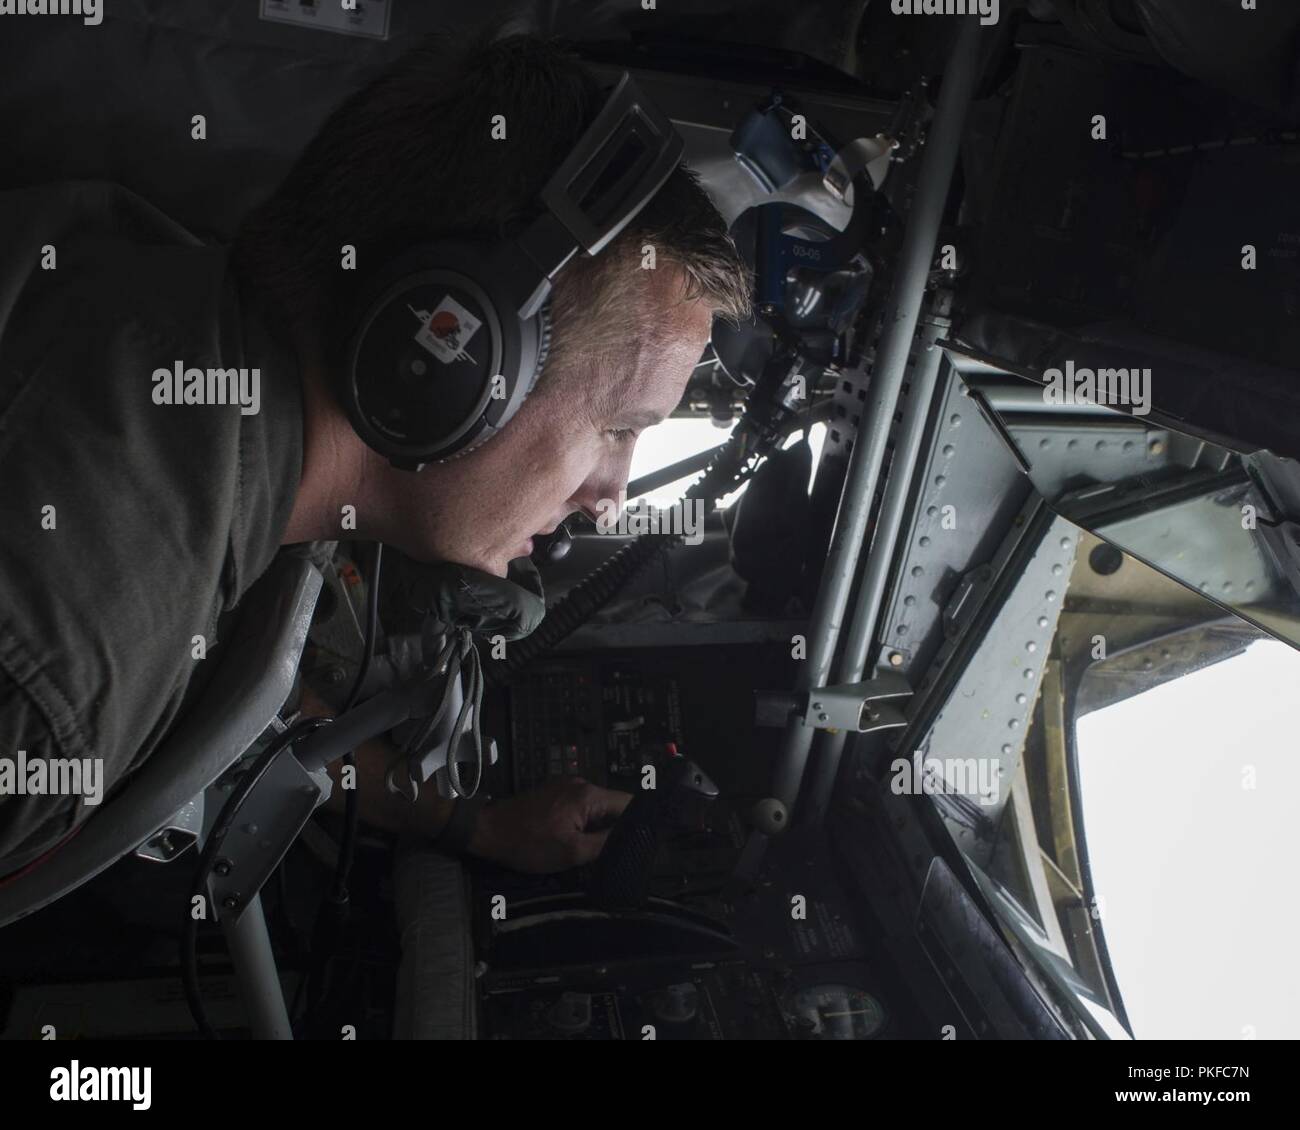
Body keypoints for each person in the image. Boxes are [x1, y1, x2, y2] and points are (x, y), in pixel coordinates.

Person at [0, 32, 750, 879]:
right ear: (456, 357)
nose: (610, 498)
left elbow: (242, 696)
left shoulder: (158, 285)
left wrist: (469, 826)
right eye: (620, 426)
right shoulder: (50, 698)